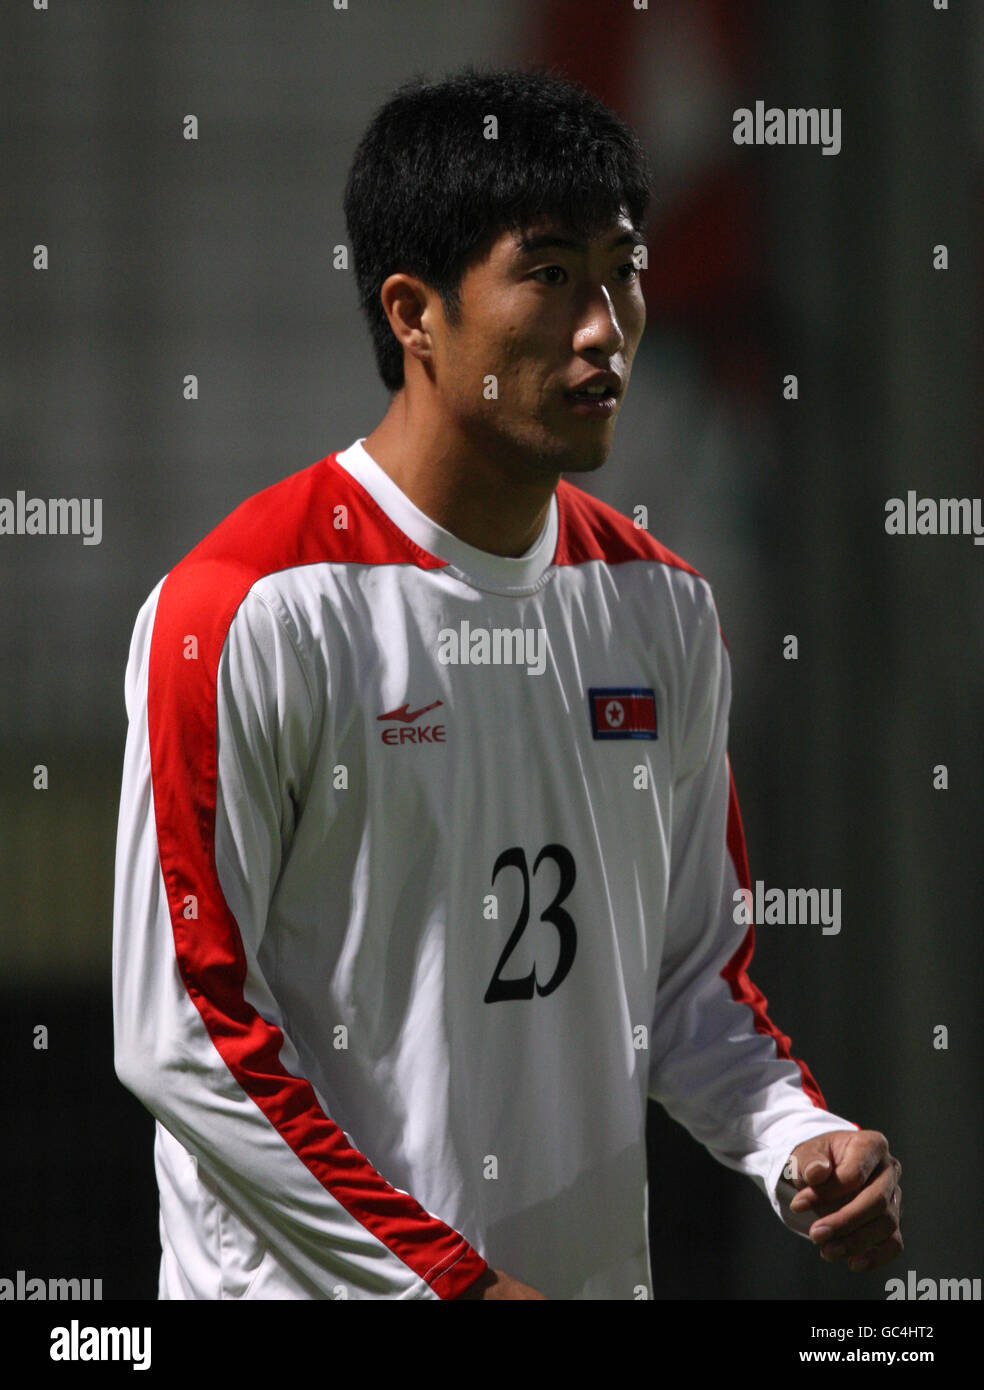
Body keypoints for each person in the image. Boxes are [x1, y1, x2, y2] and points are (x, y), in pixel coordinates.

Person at [112, 64, 902, 1301]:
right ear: (414, 313)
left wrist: (796, 1137)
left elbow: (695, 983)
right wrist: (449, 1287)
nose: (604, 325)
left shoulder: (664, 612)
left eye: (622, 270)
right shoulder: (243, 612)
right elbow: (185, 1037)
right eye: (548, 275)